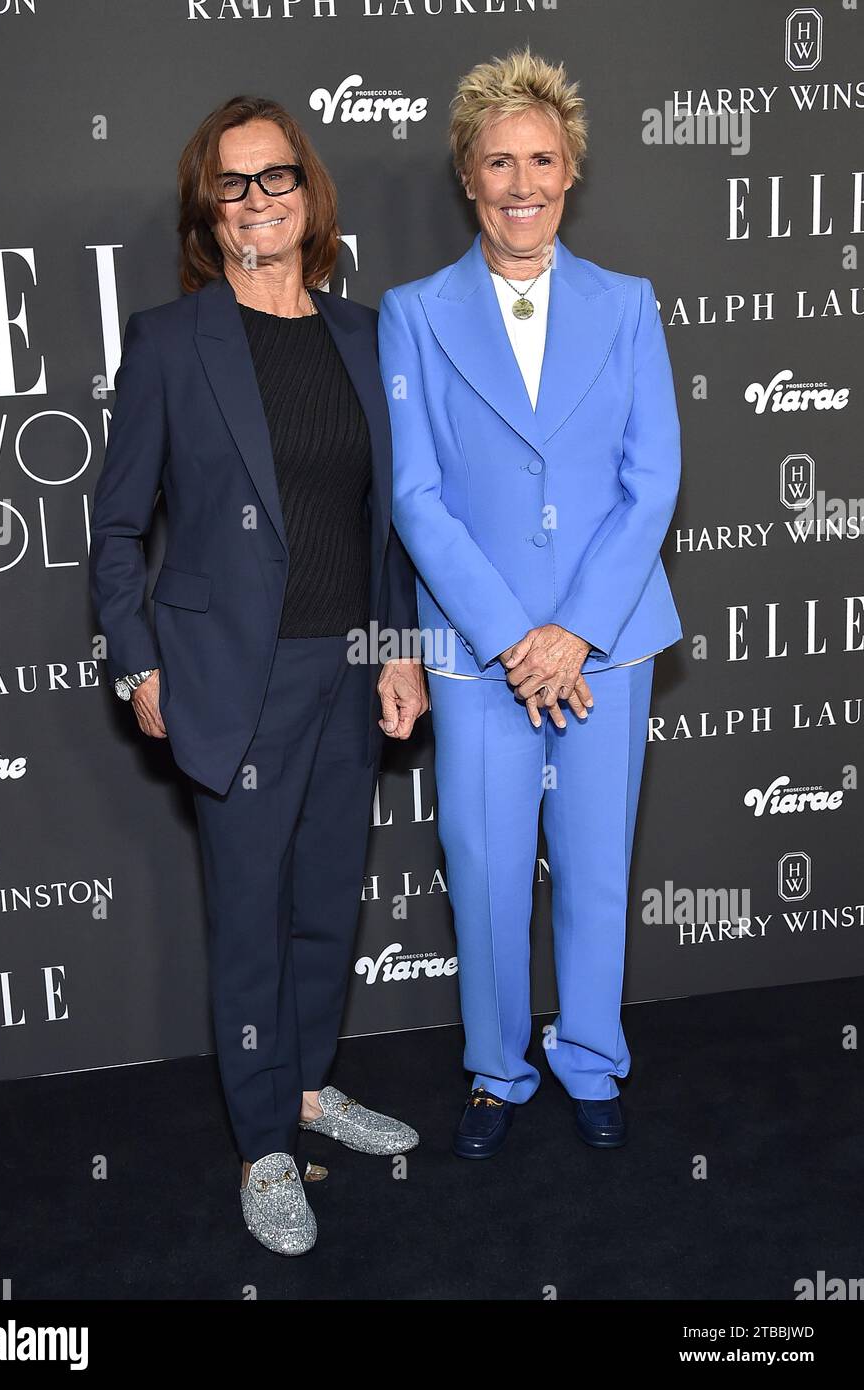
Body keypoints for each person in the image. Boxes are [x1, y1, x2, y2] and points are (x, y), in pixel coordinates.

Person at [89, 95, 428, 1255]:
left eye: (275, 176)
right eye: (232, 184)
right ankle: (264, 1145)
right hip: (233, 679)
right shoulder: (172, 342)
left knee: (328, 902)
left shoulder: (367, 336)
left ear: (308, 191)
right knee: (248, 919)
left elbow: (383, 524)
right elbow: (117, 527)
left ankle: (308, 1090)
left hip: (349, 669)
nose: (257, 200)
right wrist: (137, 666)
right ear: (208, 208)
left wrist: (396, 653)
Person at [378, 48, 683, 1158]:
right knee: (490, 870)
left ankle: (592, 1055)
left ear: (571, 171)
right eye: (498, 161)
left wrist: (576, 631)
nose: (521, 183)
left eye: (541, 159)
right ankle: (498, 1069)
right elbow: (414, 493)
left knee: (597, 867)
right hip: (478, 650)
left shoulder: (630, 304)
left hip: (604, 645)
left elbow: (652, 480)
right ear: (468, 174)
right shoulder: (412, 314)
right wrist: (515, 637)